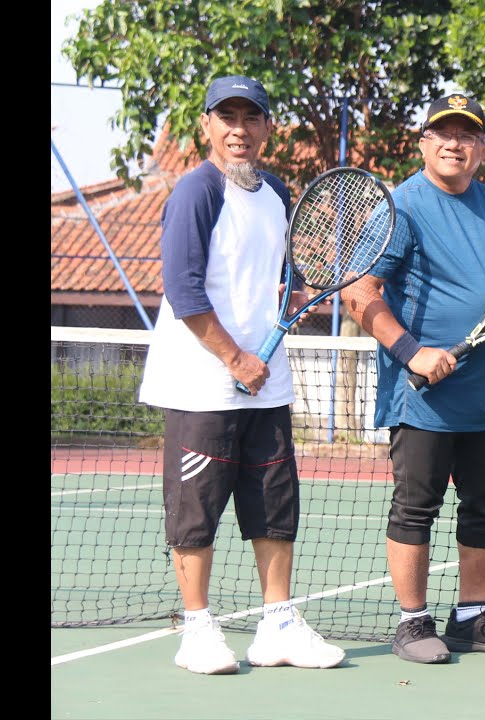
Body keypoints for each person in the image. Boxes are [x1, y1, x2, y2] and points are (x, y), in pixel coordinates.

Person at [138, 75, 345, 674]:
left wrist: (289, 293)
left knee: (274, 505)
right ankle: (198, 630)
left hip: (267, 383)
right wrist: (234, 359)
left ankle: (277, 624)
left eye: (250, 118)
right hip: (202, 385)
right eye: (226, 118)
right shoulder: (196, 192)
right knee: (195, 508)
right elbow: (182, 289)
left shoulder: (277, 191)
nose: (239, 130)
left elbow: (274, 276)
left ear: (266, 128)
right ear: (206, 126)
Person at [340, 93, 485, 664]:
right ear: (424, 142)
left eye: (467, 135)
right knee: (415, 507)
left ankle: (472, 619)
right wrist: (412, 351)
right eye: (443, 133)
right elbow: (360, 292)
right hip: (421, 398)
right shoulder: (400, 206)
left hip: (484, 394)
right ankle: (411, 623)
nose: (455, 143)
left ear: (482, 148)